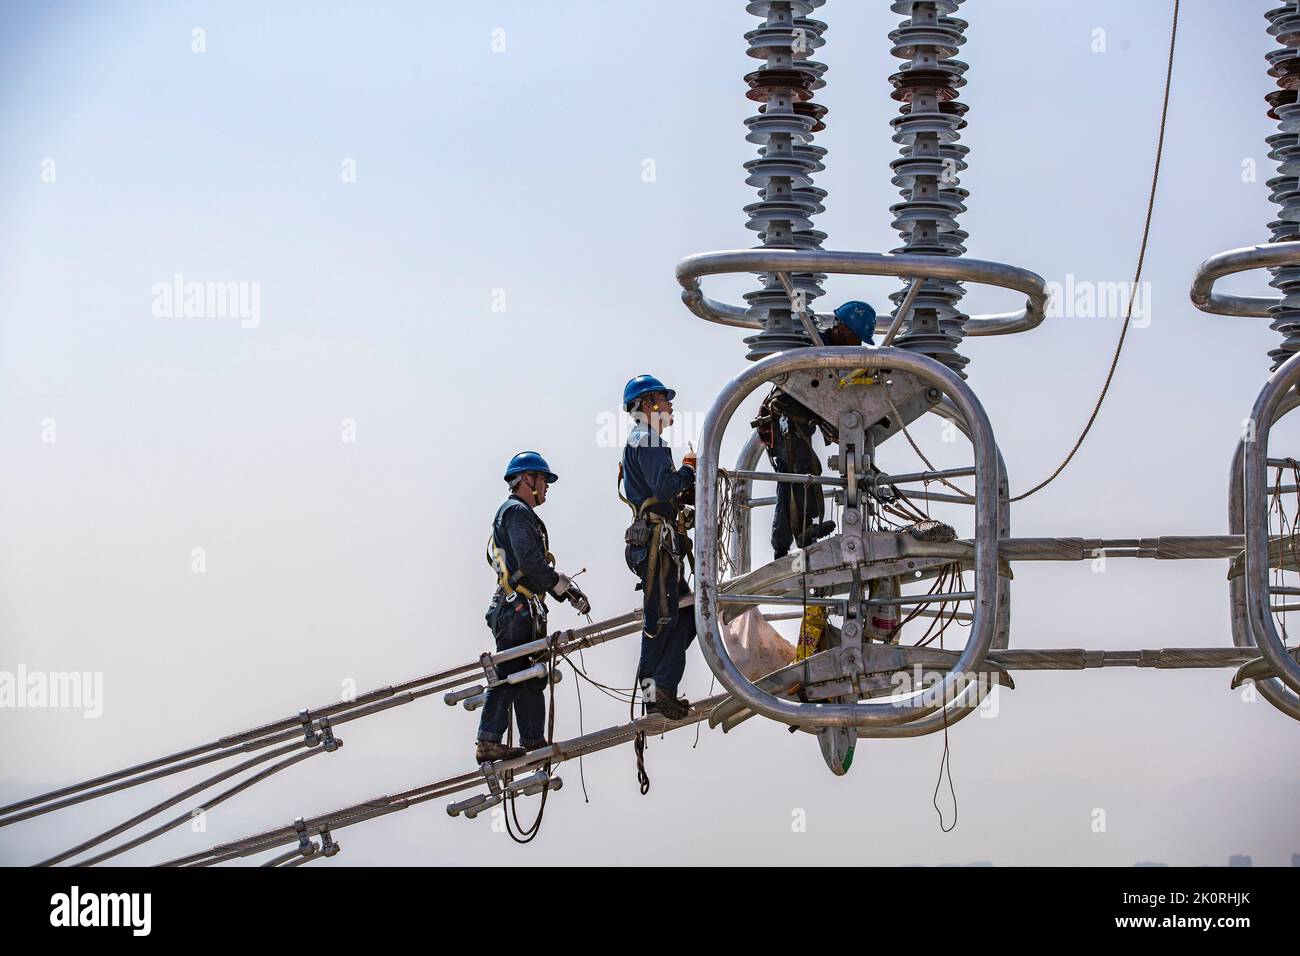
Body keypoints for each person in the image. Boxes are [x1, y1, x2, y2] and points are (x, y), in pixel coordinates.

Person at [476, 451, 590, 764]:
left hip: (524, 607)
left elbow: (529, 566)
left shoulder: (517, 513)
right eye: (544, 480)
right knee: (512, 670)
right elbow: (529, 561)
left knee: (530, 674)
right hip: (516, 609)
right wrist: (559, 584)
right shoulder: (516, 512)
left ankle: (532, 739)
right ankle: (488, 740)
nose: (547, 487)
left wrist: (563, 591)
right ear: (528, 478)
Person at [752, 301, 877, 558]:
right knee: (805, 466)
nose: (858, 346)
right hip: (784, 420)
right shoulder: (814, 346)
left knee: (788, 481)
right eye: (856, 338)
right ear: (843, 329)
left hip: (794, 423)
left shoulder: (827, 351)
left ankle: (781, 545)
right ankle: (804, 529)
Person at [619, 375, 697, 720]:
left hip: (659, 542)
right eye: (665, 401)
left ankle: (661, 688)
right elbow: (664, 487)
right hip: (655, 546)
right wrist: (688, 470)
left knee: (684, 616)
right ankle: (655, 693)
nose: (670, 407)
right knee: (660, 621)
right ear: (648, 405)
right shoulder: (646, 440)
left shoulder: (642, 440)